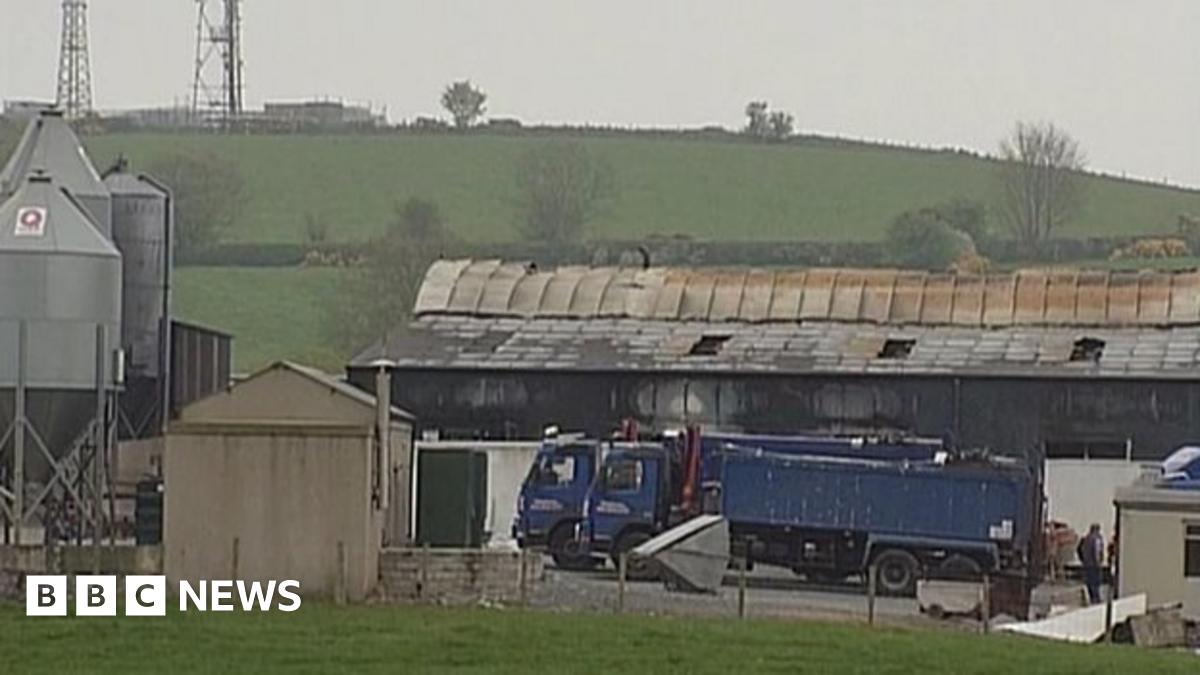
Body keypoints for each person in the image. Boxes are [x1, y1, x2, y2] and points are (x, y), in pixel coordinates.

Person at [1077, 523, 1105, 604]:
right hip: (1094, 565)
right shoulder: (1097, 539)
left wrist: (1082, 560)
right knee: (1096, 582)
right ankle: (1096, 598)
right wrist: (1098, 562)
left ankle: (1092, 597)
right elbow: (1096, 552)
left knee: (1089, 582)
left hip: (1087, 564)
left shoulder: (1085, 539)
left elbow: (1079, 549)